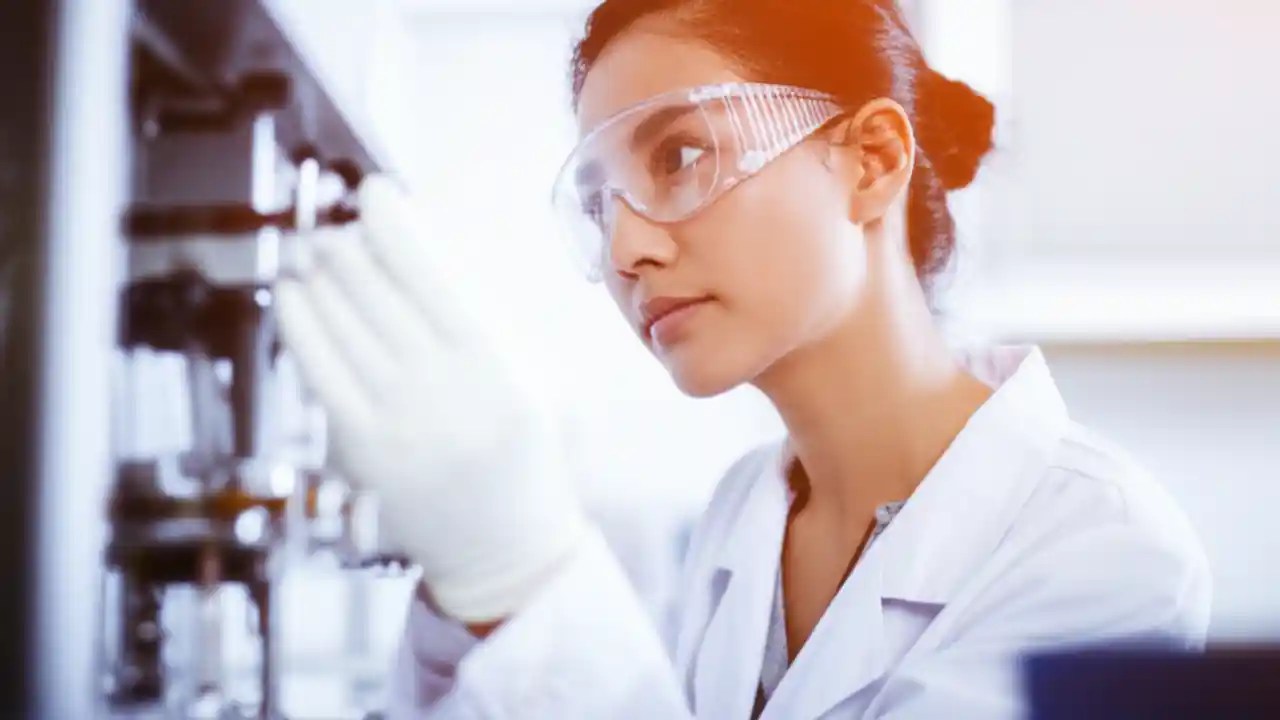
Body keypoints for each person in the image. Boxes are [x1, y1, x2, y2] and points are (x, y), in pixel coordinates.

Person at [275, 0, 1212, 717]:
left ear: (872, 160)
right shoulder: (741, 516)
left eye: (680, 155)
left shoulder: (1106, 553)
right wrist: (462, 596)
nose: (625, 250)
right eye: (599, 205)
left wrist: (527, 590)